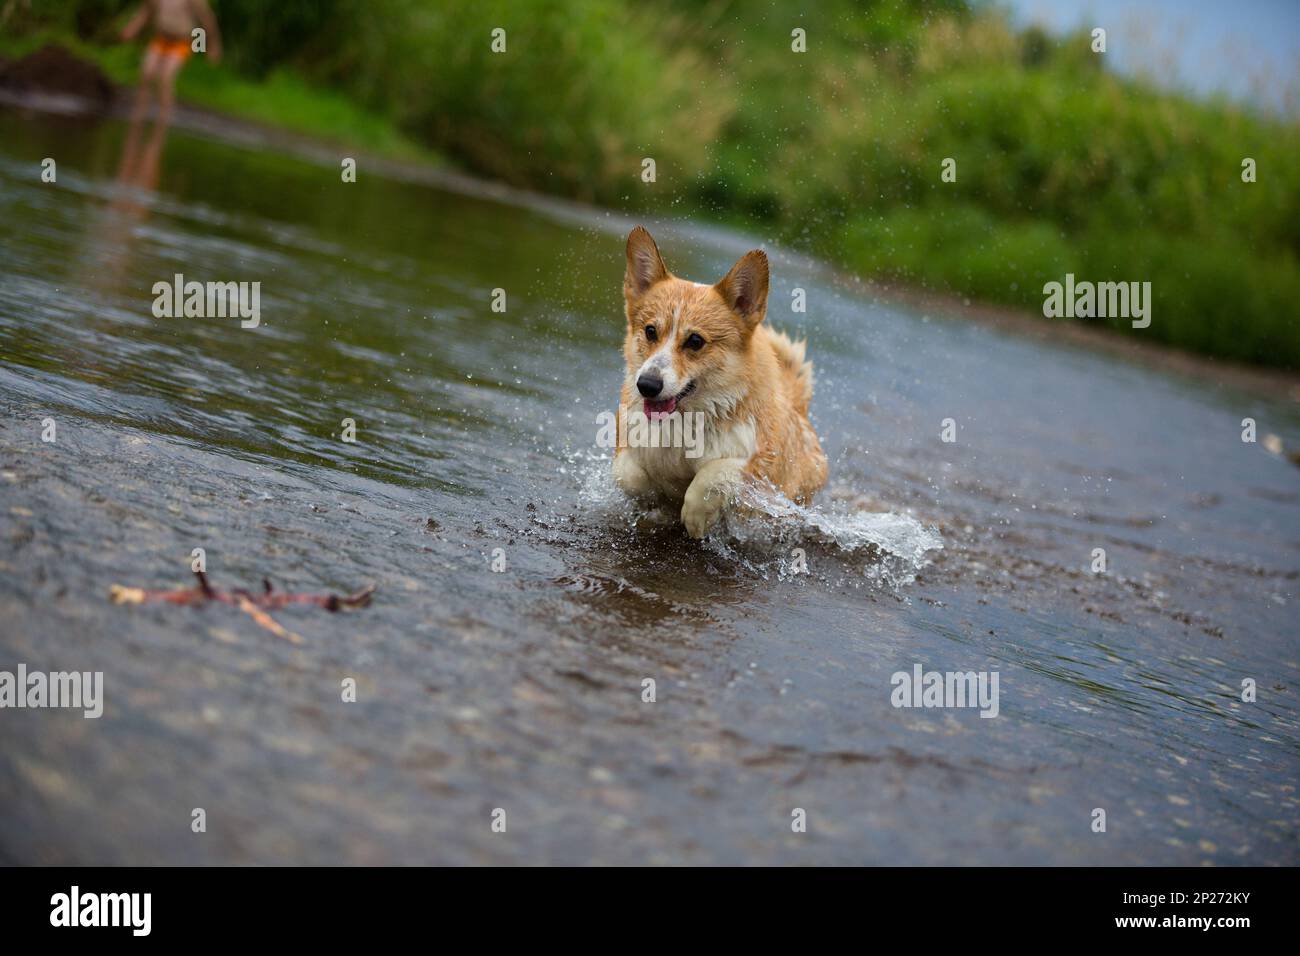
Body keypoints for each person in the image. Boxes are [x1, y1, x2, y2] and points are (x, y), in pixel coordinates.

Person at [119, 0, 222, 128]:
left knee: (165, 77)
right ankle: (139, 114)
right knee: (146, 73)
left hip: (181, 43)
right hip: (161, 40)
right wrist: (133, 27)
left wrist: (213, 46)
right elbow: (146, 12)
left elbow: (207, 19)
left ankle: (162, 120)